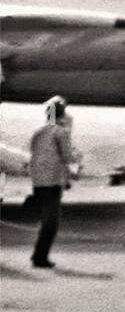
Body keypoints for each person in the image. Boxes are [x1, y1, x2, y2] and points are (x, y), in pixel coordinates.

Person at [28, 96, 80, 268]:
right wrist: (77, 156)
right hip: (52, 180)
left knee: (45, 219)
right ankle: (40, 257)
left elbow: (33, 151)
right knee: (51, 221)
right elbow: (67, 157)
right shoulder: (60, 131)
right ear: (62, 113)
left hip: (38, 179)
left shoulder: (38, 130)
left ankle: (38, 254)